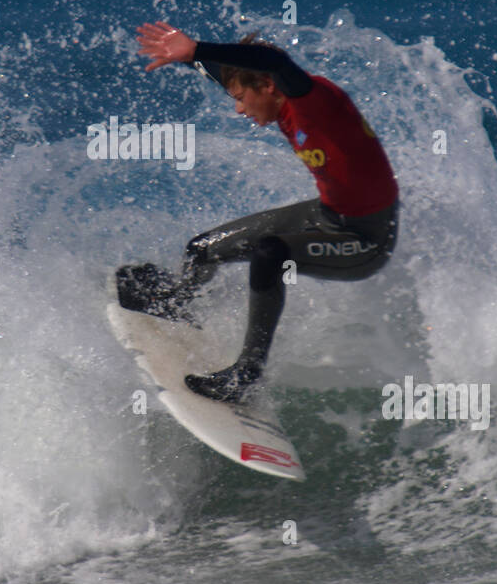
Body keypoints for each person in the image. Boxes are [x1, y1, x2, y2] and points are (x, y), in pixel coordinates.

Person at [117, 20, 399, 403]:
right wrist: (188, 58)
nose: (237, 109)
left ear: (267, 86)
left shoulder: (314, 102)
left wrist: (197, 47)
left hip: (365, 238)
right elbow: (237, 68)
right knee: (201, 249)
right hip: (327, 214)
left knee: (270, 254)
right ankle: (178, 300)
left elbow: (269, 59)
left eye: (239, 97)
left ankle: (246, 374)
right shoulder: (270, 93)